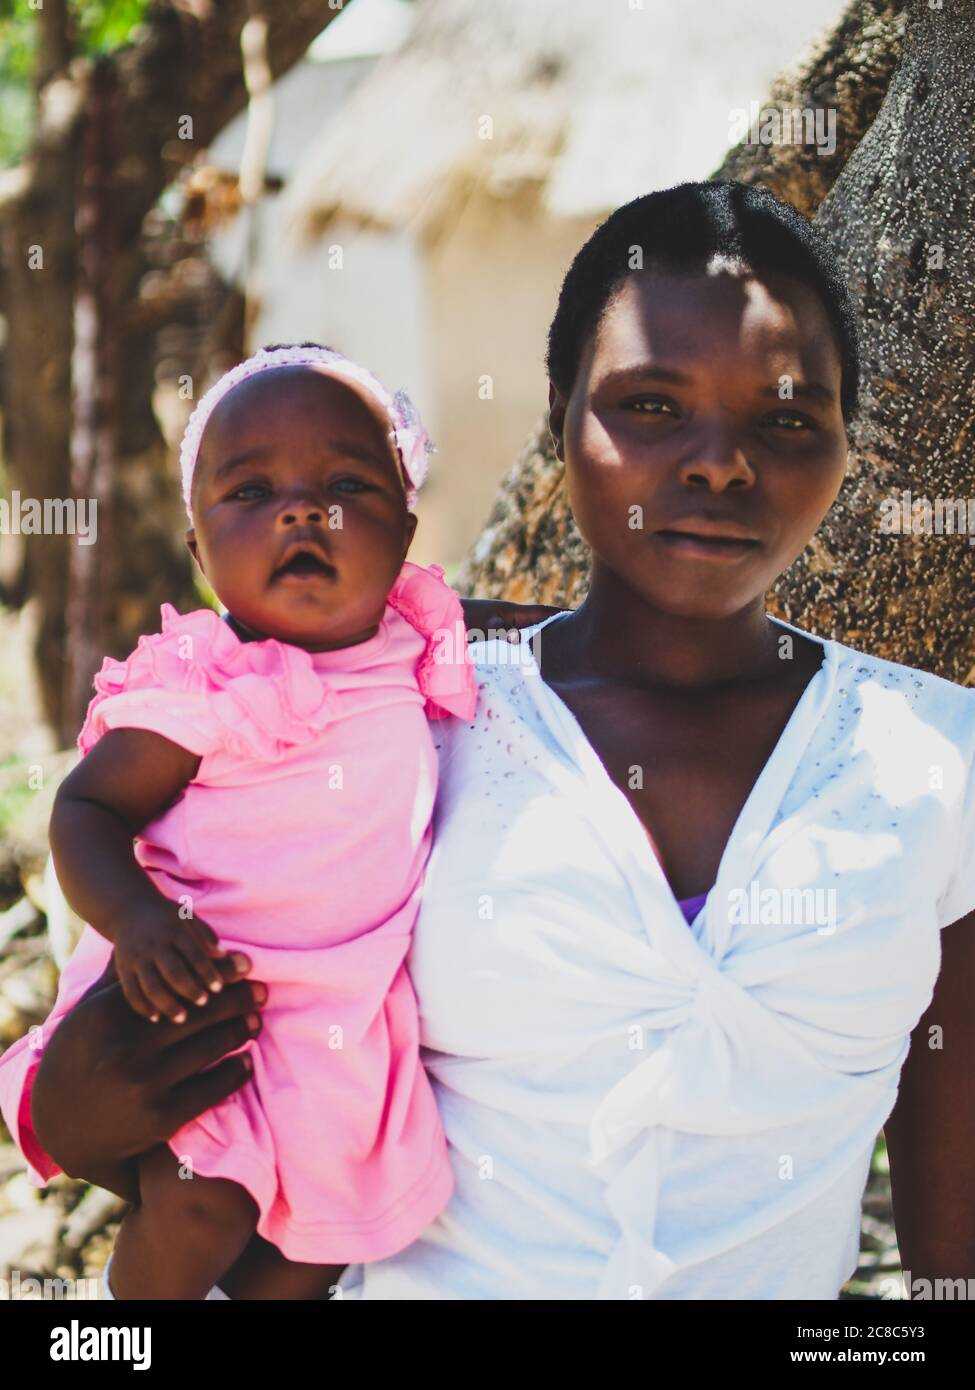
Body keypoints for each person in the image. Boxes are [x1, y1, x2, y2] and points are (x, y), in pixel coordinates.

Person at [5, 181, 975, 1299]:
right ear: (559, 410)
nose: (722, 462)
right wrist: (75, 1109)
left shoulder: (929, 764)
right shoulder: (405, 725)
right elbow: (187, 1048)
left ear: (848, 443)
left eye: (790, 417)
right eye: (652, 405)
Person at [0, 343, 476, 1299]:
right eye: (250, 492)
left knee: (312, 1248)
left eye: (345, 483)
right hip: (192, 1002)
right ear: (199, 552)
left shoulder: (423, 647)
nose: (302, 511)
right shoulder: (205, 683)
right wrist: (138, 922)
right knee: (199, 1206)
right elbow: (88, 808)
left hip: (335, 1027)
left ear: (404, 524)